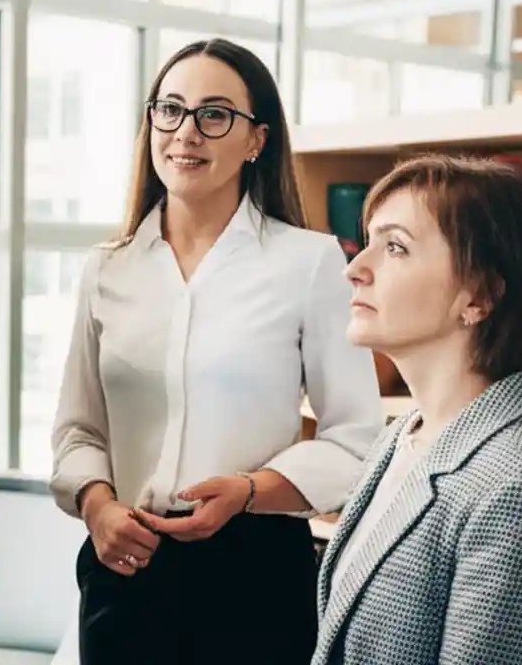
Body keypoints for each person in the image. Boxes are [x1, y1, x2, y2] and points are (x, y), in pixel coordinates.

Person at [50, 38, 383, 665]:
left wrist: (250, 490)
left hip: (254, 574)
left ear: (256, 139)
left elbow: (356, 440)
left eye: (214, 114)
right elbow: (77, 430)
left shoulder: (309, 263)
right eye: (170, 110)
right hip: (124, 570)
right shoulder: (108, 269)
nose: (186, 133)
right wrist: (97, 507)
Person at [313, 155, 522, 665]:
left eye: (395, 247)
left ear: (480, 296)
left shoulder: (521, 491)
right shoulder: (409, 433)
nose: (354, 269)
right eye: (369, 241)